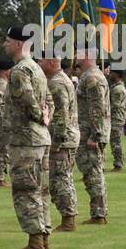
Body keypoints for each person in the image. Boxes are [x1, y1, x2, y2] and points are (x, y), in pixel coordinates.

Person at [7, 25, 53, 249]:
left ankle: (35, 241)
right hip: (41, 138)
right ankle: (43, 239)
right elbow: (49, 101)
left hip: (26, 139)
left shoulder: (19, 71)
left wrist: (38, 116)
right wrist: (45, 118)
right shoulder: (37, 68)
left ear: (17, 44)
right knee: (41, 191)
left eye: (7, 41)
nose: (4, 45)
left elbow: (27, 100)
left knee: (26, 190)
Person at [44, 55, 79, 232]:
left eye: (40, 61)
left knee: (59, 180)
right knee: (63, 178)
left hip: (62, 139)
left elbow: (61, 114)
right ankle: (69, 217)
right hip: (68, 137)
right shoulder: (61, 79)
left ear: (51, 62)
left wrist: (57, 140)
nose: (38, 64)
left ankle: (68, 219)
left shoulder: (56, 83)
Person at [75, 48, 110, 224]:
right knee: (91, 172)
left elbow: (97, 109)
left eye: (78, 53)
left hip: (90, 132)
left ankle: (98, 214)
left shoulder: (92, 78)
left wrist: (95, 136)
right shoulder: (89, 76)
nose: (75, 56)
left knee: (93, 173)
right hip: (88, 130)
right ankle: (98, 212)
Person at [0, 38, 18, 186]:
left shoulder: (1, 85)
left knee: (5, 150)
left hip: (5, 123)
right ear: (7, 71)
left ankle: (1, 176)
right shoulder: (0, 86)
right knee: (3, 150)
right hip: (2, 123)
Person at [107, 64, 126, 171]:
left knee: (115, 142)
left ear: (117, 74)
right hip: (115, 118)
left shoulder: (118, 89)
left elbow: (115, 105)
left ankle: (118, 164)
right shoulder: (115, 87)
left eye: (112, 73)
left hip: (116, 118)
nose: (110, 74)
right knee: (115, 141)